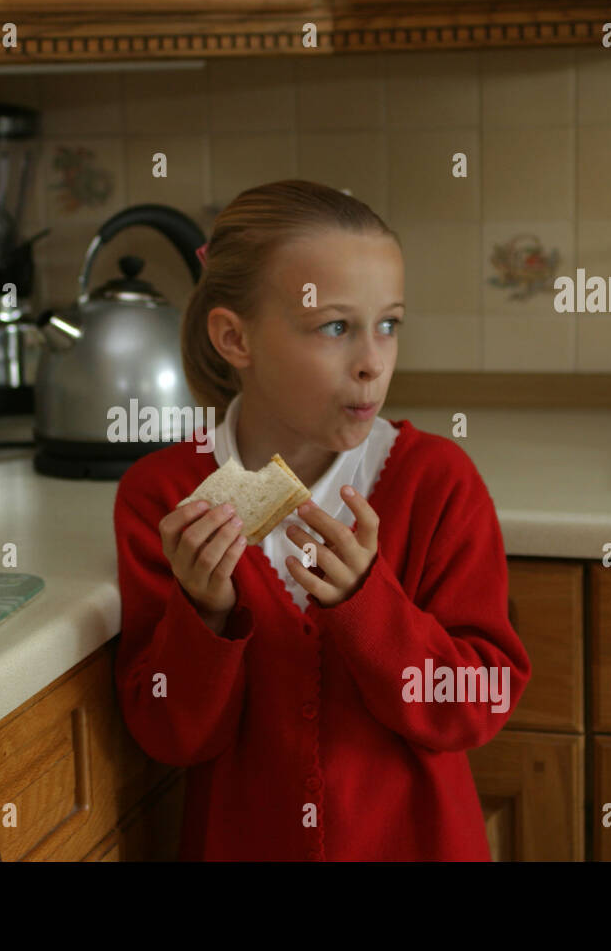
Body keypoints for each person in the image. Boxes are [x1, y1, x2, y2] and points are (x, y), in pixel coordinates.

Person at [112, 179, 531, 861]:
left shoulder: (437, 484)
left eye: (388, 325)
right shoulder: (163, 498)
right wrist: (204, 616)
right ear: (234, 337)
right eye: (335, 327)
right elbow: (170, 736)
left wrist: (370, 607)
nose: (372, 364)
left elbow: (476, 705)